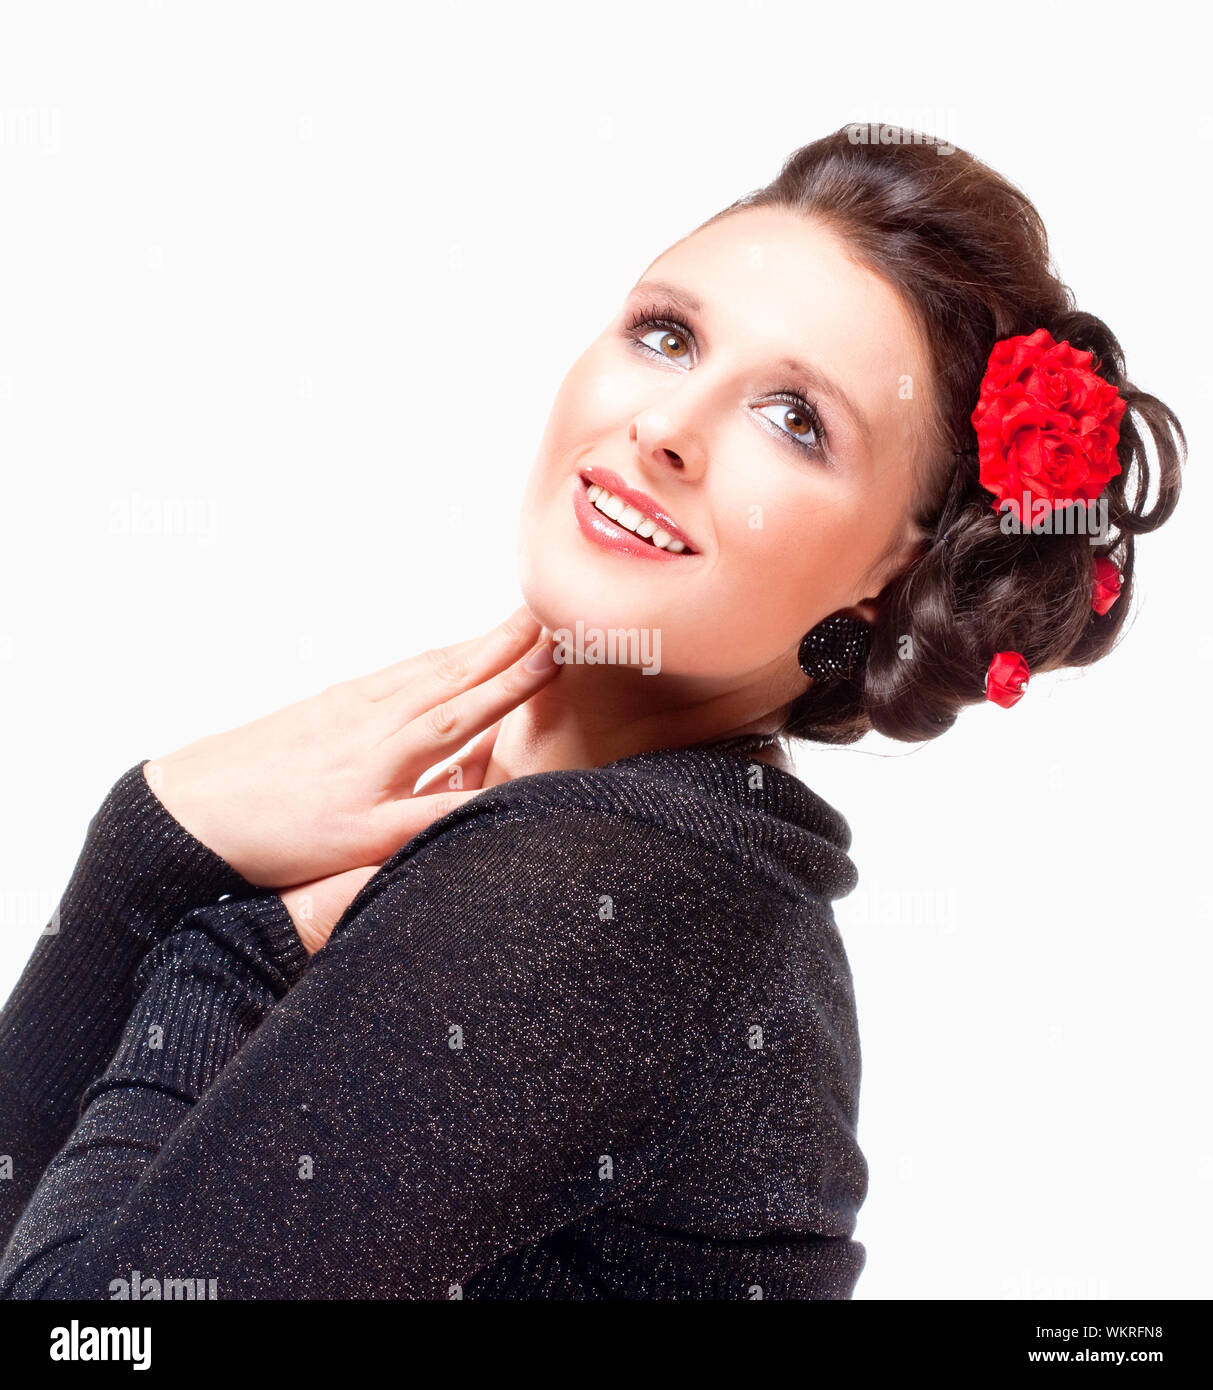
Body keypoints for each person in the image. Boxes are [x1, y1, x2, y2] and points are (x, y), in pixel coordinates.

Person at [0, 122, 1184, 1300]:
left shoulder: (621, 895)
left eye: (794, 419)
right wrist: (149, 853)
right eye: (665, 335)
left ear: (891, 570)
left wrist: (195, 896)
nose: (665, 428)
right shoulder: (605, 846)